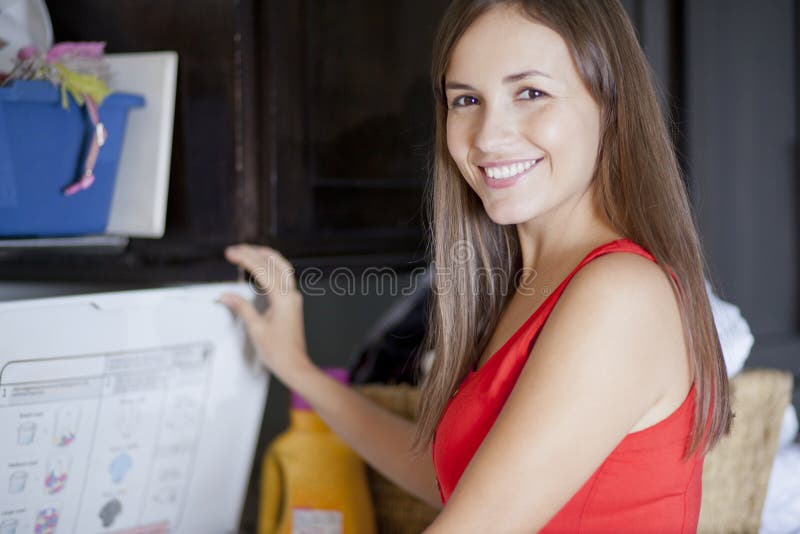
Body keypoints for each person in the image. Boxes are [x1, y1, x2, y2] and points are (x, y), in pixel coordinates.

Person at [218, 0, 732, 531]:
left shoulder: (620, 294)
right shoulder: (527, 284)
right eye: (466, 99)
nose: (487, 136)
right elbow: (462, 485)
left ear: (610, 103)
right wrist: (297, 368)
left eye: (530, 93)